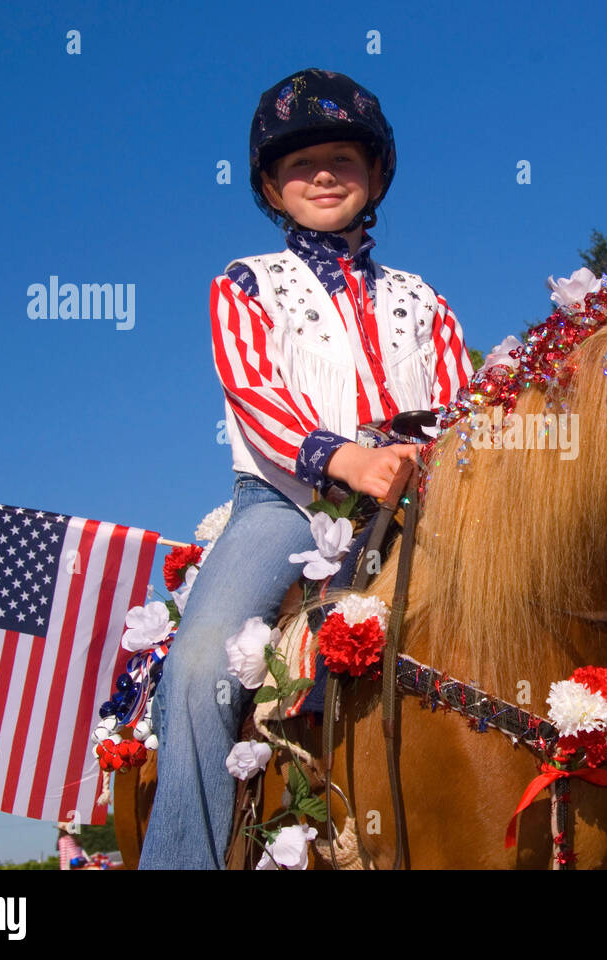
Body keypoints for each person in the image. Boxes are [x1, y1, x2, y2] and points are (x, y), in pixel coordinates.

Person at [138, 68, 473, 869]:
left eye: (344, 160)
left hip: (427, 505)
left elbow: (467, 405)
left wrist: (439, 460)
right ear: (269, 184)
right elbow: (254, 391)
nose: (323, 175)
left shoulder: (422, 298)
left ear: (378, 173)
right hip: (284, 505)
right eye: (299, 163)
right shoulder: (246, 283)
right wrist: (346, 459)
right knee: (200, 662)